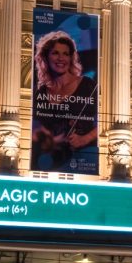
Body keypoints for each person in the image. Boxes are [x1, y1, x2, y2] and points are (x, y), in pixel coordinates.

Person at [31, 30, 99, 172]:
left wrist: (85, 138)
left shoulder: (88, 85)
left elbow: (105, 123)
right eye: (55, 53)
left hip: (84, 160)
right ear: (45, 57)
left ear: (71, 58)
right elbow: (38, 126)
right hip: (49, 163)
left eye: (65, 54)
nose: (61, 58)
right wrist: (44, 137)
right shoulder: (41, 92)